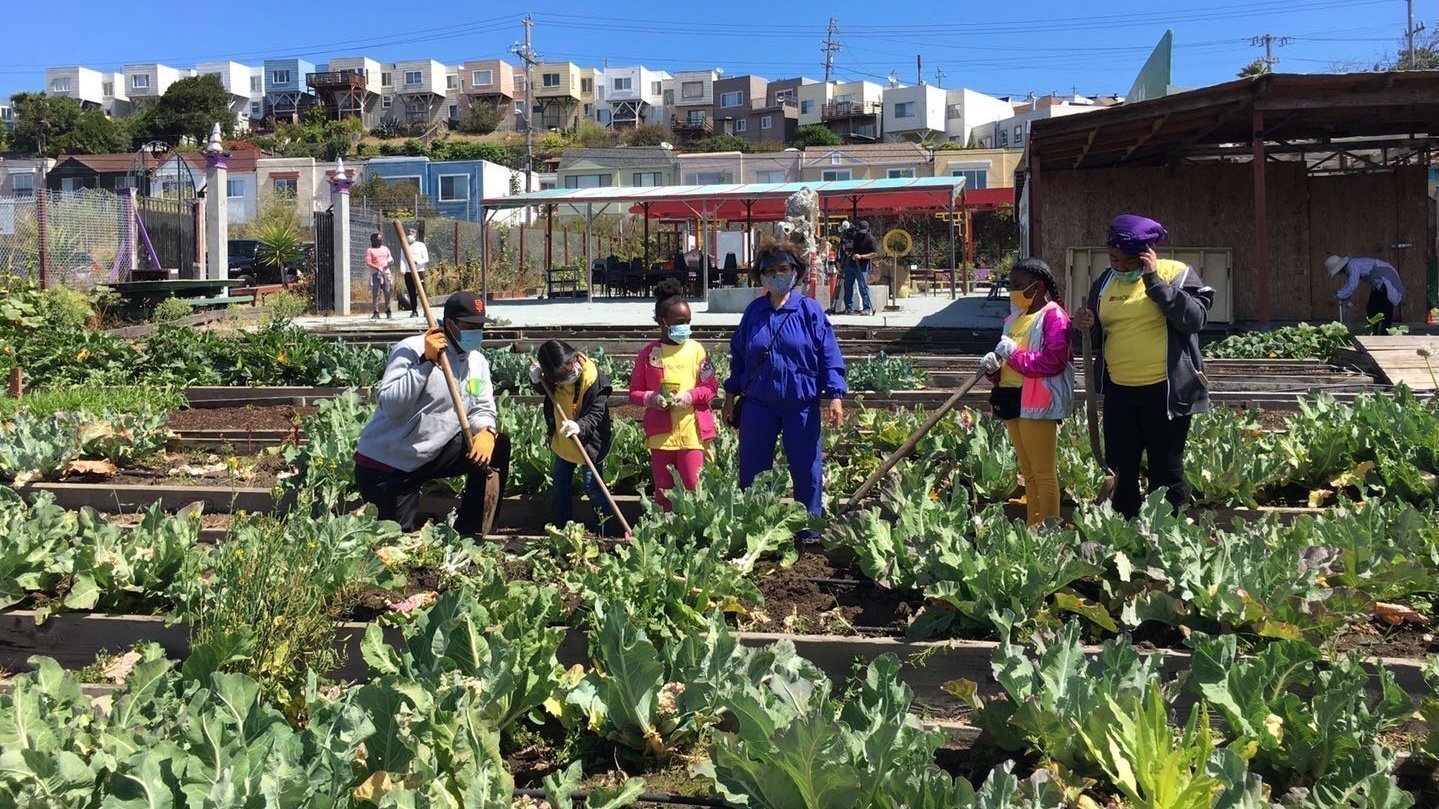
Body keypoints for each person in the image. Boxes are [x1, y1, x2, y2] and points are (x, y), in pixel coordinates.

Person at [1074, 214, 1213, 519]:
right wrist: (1085, 326)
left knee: (1166, 473)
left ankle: (1172, 536)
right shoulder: (1104, 282)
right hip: (1120, 392)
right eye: (1114, 259)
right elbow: (1095, 337)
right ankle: (1125, 535)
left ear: (1148, 254)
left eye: (1129, 262)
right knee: (1120, 469)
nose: (1120, 268)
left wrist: (1153, 281)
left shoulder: (1175, 273)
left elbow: (1193, 320)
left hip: (1165, 393)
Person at [354, 291, 510, 534]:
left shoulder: (476, 361)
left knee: (498, 445)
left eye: (480, 326)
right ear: (449, 324)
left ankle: (470, 530)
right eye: (470, 326)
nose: (476, 333)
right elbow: (393, 408)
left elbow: (481, 405)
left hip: (433, 452)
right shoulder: (412, 348)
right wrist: (426, 362)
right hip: (390, 465)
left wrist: (486, 430)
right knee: (394, 545)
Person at [724, 240, 846, 536]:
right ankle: (754, 526)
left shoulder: (809, 311)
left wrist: (835, 395)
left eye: (784, 268)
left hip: (800, 403)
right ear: (762, 276)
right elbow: (739, 356)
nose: (779, 275)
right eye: (771, 270)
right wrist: (730, 396)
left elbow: (828, 353)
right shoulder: (754, 312)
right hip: (758, 403)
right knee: (753, 470)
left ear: (795, 271)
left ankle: (809, 528)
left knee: (807, 468)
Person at [980, 257, 1074, 526]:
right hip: (1011, 400)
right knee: (1029, 473)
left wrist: (1015, 355)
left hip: (1038, 402)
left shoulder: (1054, 316)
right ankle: (1034, 528)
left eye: (1019, 285)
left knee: (1044, 474)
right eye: (1012, 285)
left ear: (1039, 286)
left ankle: (1050, 531)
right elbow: (1007, 363)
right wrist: (992, 368)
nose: (1014, 291)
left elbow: (1053, 361)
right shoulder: (1014, 319)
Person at [629, 277, 719, 510]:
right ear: (662, 322)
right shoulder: (649, 354)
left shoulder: (696, 350)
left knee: (693, 484)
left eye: (688, 321)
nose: (685, 327)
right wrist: (651, 398)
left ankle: (694, 535)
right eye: (680, 322)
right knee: (664, 491)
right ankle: (668, 536)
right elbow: (635, 393)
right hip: (661, 435)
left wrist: (690, 397)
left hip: (692, 432)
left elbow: (710, 387)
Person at [530, 340, 617, 533]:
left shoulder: (595, 380)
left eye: (569, 373)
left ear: (575, 357)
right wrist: (537, 382)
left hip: (591, 441)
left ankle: (606, 531)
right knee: (560, 484)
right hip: (564, 440)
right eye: (560, 379)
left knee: (593, 487)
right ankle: (563, 528)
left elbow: (596, 413)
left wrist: (579, 426)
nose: (567, 378)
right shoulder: (555, 376)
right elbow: (547, 390)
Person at [1327, 254, 1404, 333]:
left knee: (1382, 310)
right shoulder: (1352, 265)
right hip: (1380, 283)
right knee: (1372, 309)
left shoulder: (1353, 264)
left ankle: (1382, 336)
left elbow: (1352, 284)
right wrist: (1343, 295)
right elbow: (1349, 284)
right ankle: (1376, 335)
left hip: (1387, 281)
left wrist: (1339, 294)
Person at [841, 220, 878, 316]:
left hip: (861, 266)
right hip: (850, 263)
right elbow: (847, 246)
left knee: (863, 287)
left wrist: (861, 256)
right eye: (860, 231)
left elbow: (874, 254)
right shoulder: (855, 235)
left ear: (867, 229)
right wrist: (849, 252)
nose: (861, 233)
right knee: (848, 286)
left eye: (863, 231)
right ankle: (848, 308)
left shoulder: (870, 239)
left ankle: (867, 308)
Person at [399, 227, 430, 318]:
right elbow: (402, 258)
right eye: (408, 232)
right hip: (408, 272)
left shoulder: (420, 245)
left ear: (415, 235)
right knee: (411, 292)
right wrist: (402, 268)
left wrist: (417, 262)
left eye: (412, 232)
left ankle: (426, 310)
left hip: (419, 271)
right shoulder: (404, 246)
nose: (410, 234)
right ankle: (414, 310)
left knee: (422, 291)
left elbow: (426, 258)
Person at [365, 232, 394, 320]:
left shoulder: (385, 248)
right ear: (374, 240)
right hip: (376, 274)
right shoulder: (370, 250)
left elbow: (390, 258)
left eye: (381, 239)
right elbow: (368, 262)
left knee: (387, 292)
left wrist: (390, 262)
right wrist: (378, 268)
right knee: (376, 293)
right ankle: (376, 312)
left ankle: (388, 310)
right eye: (378, 239)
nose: (380, 241)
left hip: (386, 272)